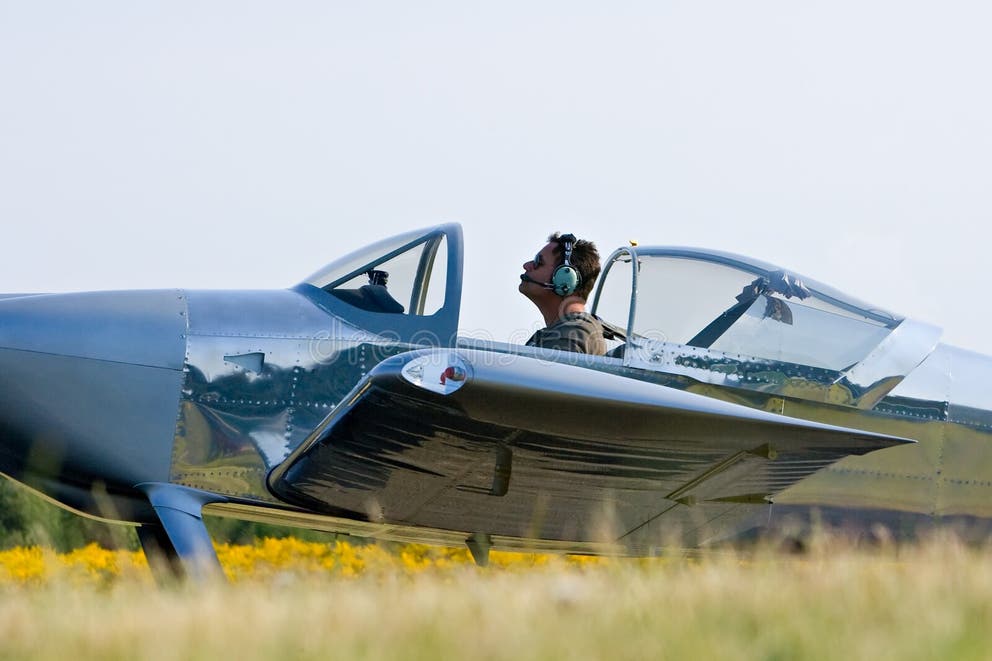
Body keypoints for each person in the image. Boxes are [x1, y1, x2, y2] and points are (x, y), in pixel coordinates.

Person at [519, 232, 606, 355]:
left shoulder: (571, 333)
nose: (526, 266)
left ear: (565, 279)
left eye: (538, 262)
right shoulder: (561, 331)